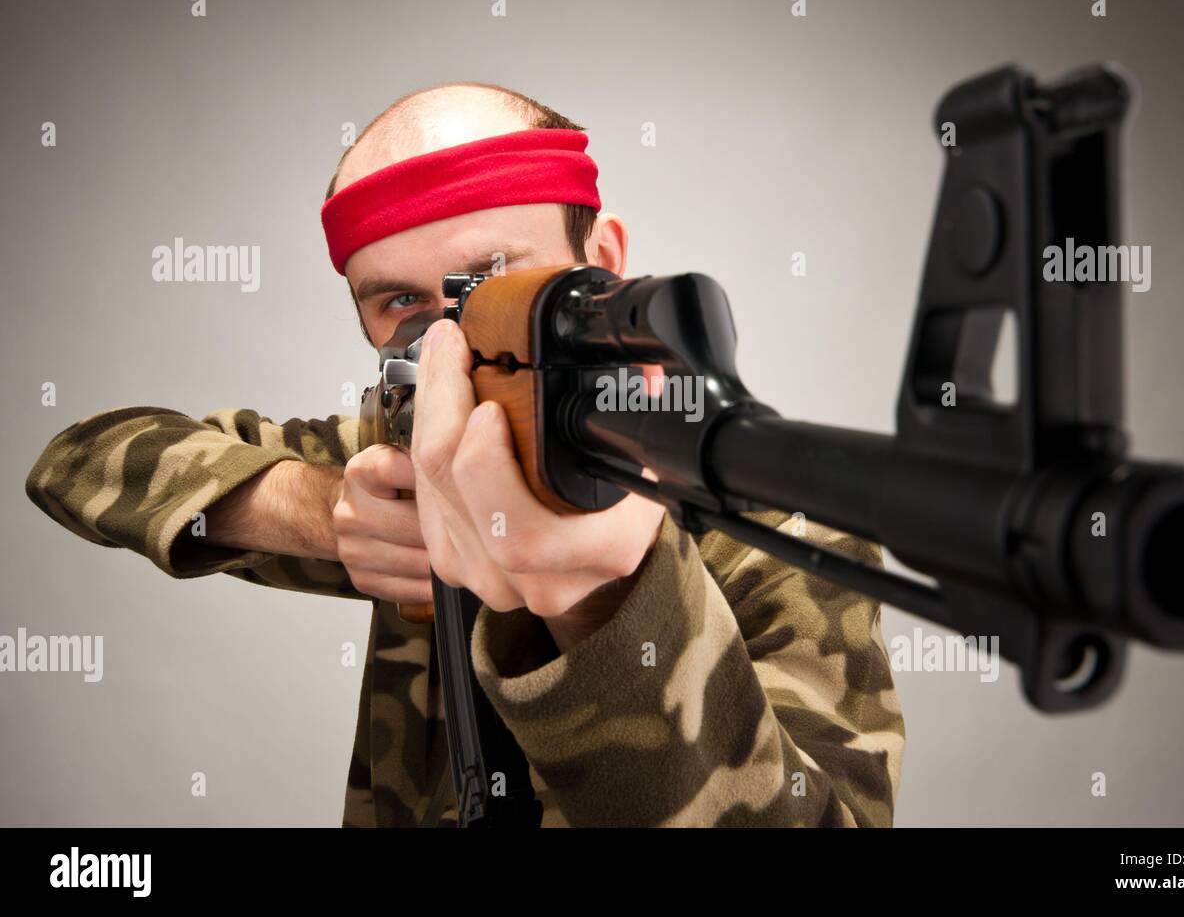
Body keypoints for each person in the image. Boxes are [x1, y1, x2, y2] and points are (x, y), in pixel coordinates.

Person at [25, 82, 904, 827]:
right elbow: (80, 459)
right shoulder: (394, 457)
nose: (444, 337)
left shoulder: (767, 505)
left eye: (487, 282)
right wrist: (329, 512)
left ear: (600, 261)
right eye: (398, 301)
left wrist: (608, 602)